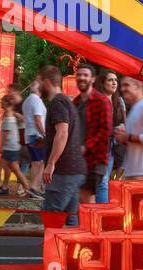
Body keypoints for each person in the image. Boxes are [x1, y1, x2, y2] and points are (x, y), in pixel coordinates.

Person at [39, 64, 83, 227]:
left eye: (40, 82)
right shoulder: (67, 102)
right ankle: (72, 252)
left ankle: (51, 252)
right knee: (71, 221)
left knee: (52, 217)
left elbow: (62, 132)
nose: (38, 86)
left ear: (48, 82)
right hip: (74, 170)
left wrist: (51, 163)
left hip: (63, 171)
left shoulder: (57, 102)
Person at [74, 62, 111, 206]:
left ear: (93, 79)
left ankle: (91, 227)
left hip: (95, 160)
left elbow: (105, 130)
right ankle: (83, 226)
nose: (81, 78)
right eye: (79, 75)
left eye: (85, 75)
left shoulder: (102, 101)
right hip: (78, 159)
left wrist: (86, 147)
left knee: (87, 196)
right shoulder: (75, 103)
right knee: (81, 198)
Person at [115, 76, 143, 180]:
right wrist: (122, 137)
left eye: (126, 85)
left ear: (137, 86)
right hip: (132, 171)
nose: (122, 89)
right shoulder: (135, 108)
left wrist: (128, 137)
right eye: (122, 85)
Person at [95, 70, 125, 200]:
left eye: (115, 80)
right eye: (110, 80)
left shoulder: (119, 101)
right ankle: (98, 214)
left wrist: (122, 127)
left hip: (113, 146)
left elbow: (124, 122)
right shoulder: (97, 100)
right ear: (102, 83)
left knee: (104, 181)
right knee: (102, 182)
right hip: (99, 146)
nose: (114, 83)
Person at [0, 93, 30, 198]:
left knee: (1, 168)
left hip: (10, 147)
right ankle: (27, 188)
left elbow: (7, 133)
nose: (0, 103)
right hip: (13, 146)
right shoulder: (11, 114)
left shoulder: (9, 116)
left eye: (2, 102)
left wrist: (2, 145)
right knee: (14, 169)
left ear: (6, 103)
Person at [22, 77, 46, 196]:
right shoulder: (36, 100)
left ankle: (36, 188)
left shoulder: (27, 100)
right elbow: (37, 119)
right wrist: (44, 133)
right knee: (42, 162)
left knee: (36, 162)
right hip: (37, 135)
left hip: (29, 134)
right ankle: (34, 187)